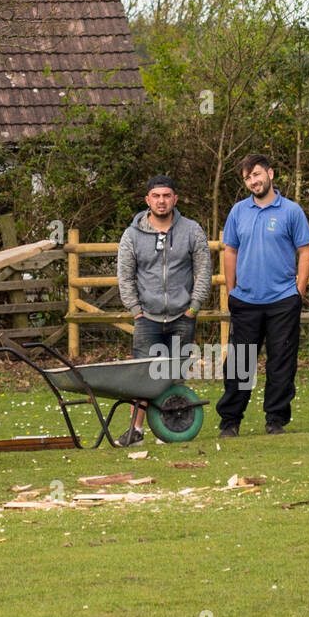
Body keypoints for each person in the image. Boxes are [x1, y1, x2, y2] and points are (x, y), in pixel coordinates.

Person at [216, 154, 309, 438]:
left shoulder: (292, 211)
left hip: (283, 300)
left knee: (281, 362)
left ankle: (275, 420)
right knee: (239, 364)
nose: (253, 181)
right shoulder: (238, 212)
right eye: (247, 178)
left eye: (257, 174)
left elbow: (305, 251)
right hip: (245, 301)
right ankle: (230, 422)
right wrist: (231, 290)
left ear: (270, 173)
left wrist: (299, 291)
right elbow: (230, 251)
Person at [117, 175, 212, 444]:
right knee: (144, 377)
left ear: (175, 199)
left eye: (167, 195)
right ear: (148, 200)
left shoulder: (192, 230)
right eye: (156, 196)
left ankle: (170, 428)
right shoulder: (132, 235)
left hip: (183, 316)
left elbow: (204, 271)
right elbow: (125, 276)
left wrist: (193, 308)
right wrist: (136, 309)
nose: (161, 201)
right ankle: (136, 432)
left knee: (174, 376)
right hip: (146, 317)